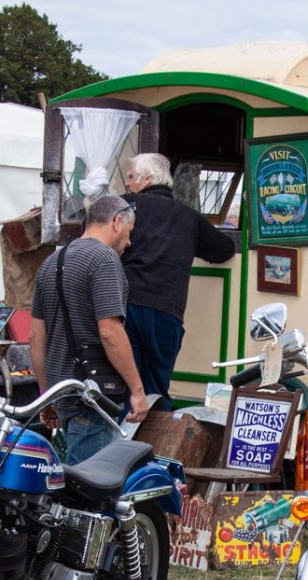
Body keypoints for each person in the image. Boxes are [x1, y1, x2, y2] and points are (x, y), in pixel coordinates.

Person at [30, 195, 147, 465]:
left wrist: (46, 396)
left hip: (61, 391)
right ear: (117, 221)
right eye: (129, 233)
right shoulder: (104, 259)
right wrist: (137, 390)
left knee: (66, 478)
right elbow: (109, 331)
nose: (129, 243)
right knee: (87, 488)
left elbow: (36, 339)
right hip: (92, 395)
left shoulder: (50, 263)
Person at [121, 153, 236, 409]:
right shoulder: (188, 217)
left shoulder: (125, 205)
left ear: (147, 178)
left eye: (130, 177)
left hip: (126, 308)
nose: (127, 183)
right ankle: (159, 445)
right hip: (167, 312)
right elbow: (224, 249)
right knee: (157, 389)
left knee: (127, 387)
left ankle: (122, 445)